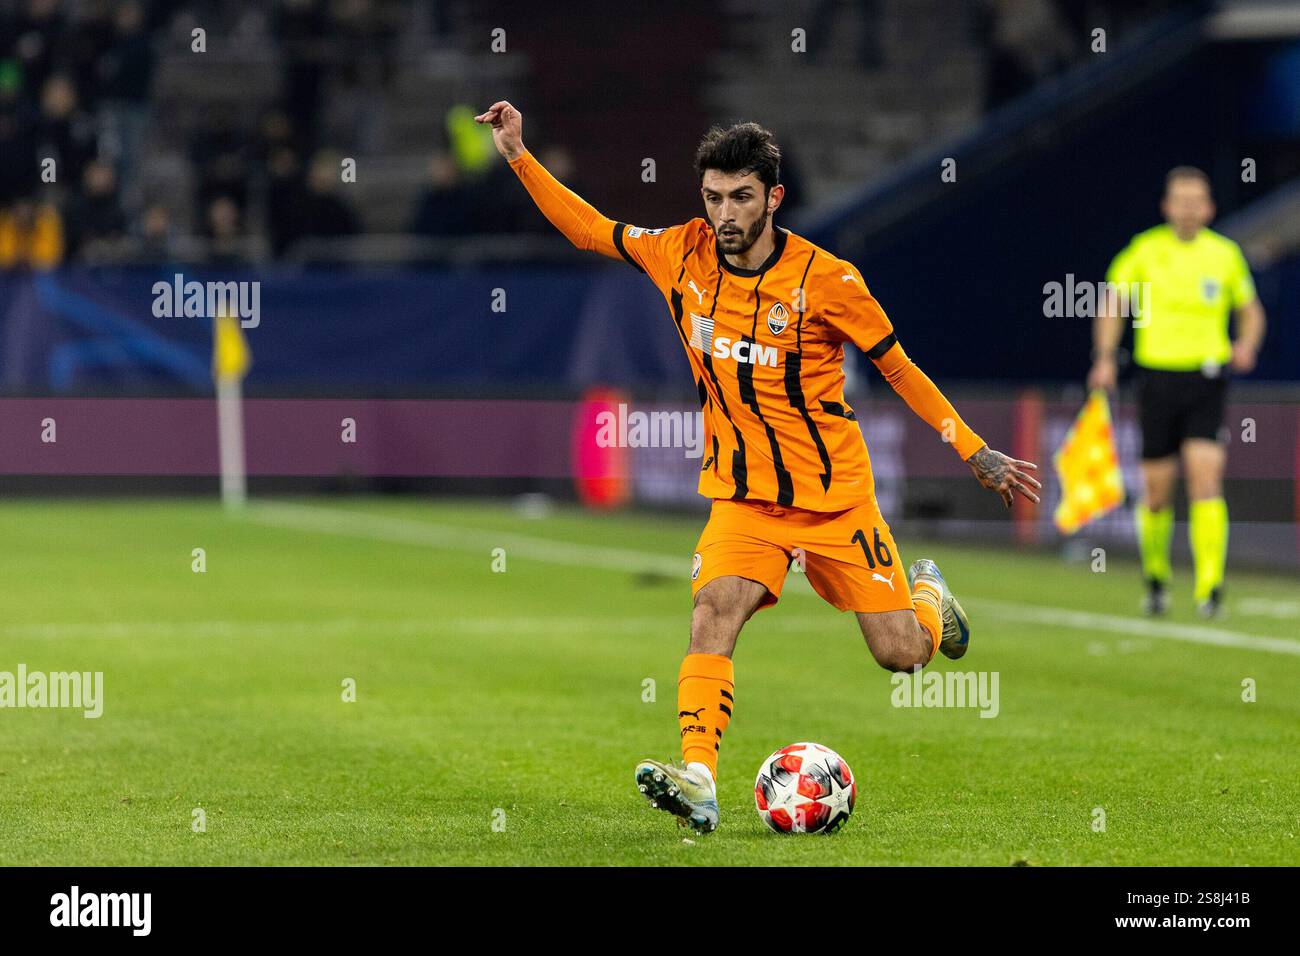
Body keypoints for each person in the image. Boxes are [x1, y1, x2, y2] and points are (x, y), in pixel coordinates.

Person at [476, 101, 1039, 834]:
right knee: (715, 610)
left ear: (773, 197)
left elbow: (899, 370)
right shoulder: (680, 251)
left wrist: (972, 447)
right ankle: (700, 779)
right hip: (743, 500)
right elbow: (589, 228)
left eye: (741, 196)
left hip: (835, 501)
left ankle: (928, 595)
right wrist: (518, 153)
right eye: (713, 196)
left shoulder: (828, 279)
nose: (724, 212)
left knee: (902, 655)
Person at [1088, 166, 1265, 618]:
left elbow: (1251, 312)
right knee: (1157, 489)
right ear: (1167, 206)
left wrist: (1246, 345)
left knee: (1206, 476)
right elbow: (1113, 303)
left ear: (1208, 207)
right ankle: (1156, 578)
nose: (1187, 209)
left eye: (1196, 201)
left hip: (1206, 379)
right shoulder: (1144, 252)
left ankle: (1210, 588)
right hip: (1157, 379)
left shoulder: (1224, 256)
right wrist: (1106, 358)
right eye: (1179, 200)